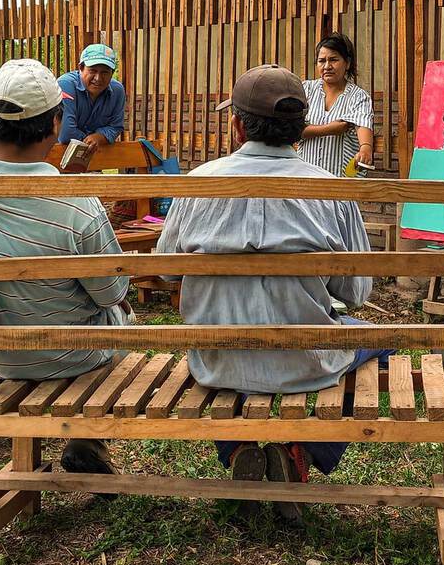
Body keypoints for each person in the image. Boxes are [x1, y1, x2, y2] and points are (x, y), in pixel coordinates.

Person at [156, 64, 387, 522]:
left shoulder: (197, 182)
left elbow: (165, 271)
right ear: (300, 129)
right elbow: (356, 293)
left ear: (238, 124)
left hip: (216, 358)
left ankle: (239, 446)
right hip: (306, 361)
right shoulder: (330, 191)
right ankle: (302, 452)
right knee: (373, 337)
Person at [0, 59, 130, 477]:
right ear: (55, 124)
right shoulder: (75, 202)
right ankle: (85, 438)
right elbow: (111, 293)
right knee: (120, 315)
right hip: (69, 360)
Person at [297, 33, 375, 176]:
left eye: (333, 60)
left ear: (348, 63)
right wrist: (329, 129)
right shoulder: (305, 90)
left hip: (342, 184)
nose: (327, 66)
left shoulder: (358, 97)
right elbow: (294, 129)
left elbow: (363, 126)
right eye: (321, 61)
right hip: (306, 181)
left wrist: (365, 149)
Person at [57, 43, 126, 167]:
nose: (98, 78)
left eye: (105, 72)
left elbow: (116, 127)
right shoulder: (65, 85)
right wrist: (93, 140)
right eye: (93, 71)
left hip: (94, 162)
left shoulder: (118, 91)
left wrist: (99, 137)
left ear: (112, 73)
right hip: (57, 159)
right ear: (81, 68)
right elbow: (66, 133)